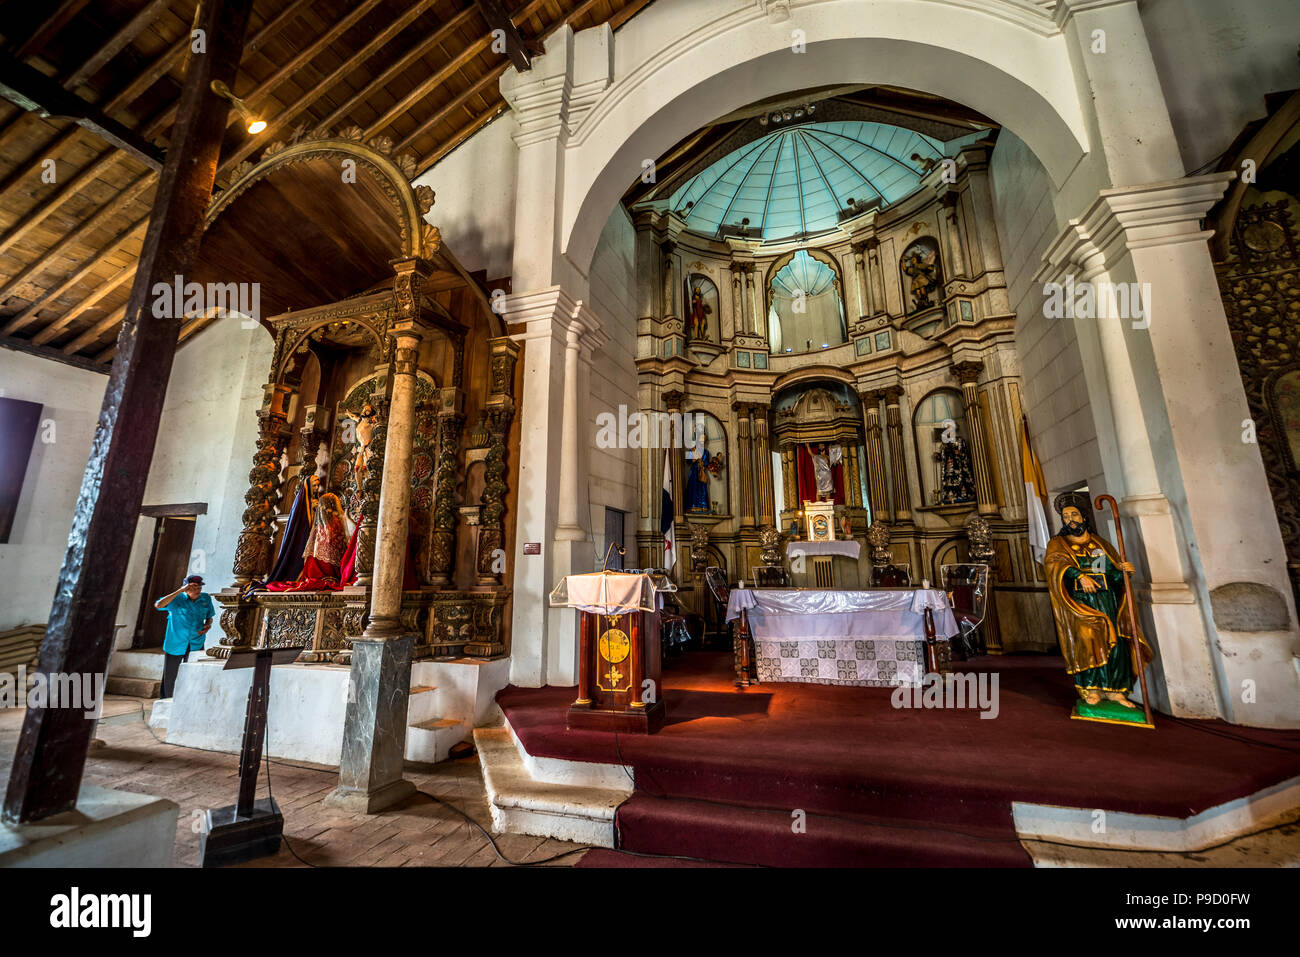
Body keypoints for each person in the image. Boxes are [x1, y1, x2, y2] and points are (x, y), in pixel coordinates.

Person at [1044, 493, 1153, 708]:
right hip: (1079, 602)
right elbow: (1054, 564)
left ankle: (1115, 691)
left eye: (1074, 514)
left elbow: (1108, 571)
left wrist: (1123, 572)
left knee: (1116, 643)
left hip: (1105, 599)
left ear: (1084, 517)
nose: (1070, 519)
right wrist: (1079, 575)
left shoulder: (1099, 544)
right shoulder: (1058, 544)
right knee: (1087, 639)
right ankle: (1091, 688)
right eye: (1066, 516)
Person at [155, 574, 215, 698]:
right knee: (170, 675)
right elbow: (159, 605)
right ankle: (167, 700)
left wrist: (208, 625)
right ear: (186, 588)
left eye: (199, 587)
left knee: (193, 673)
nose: (198, 590)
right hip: (176, 642)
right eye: (194, 587)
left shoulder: (205, 599)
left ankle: (188, 699)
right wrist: (180, 590)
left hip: (196, 642)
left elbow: (210, 616)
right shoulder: (176, 599)